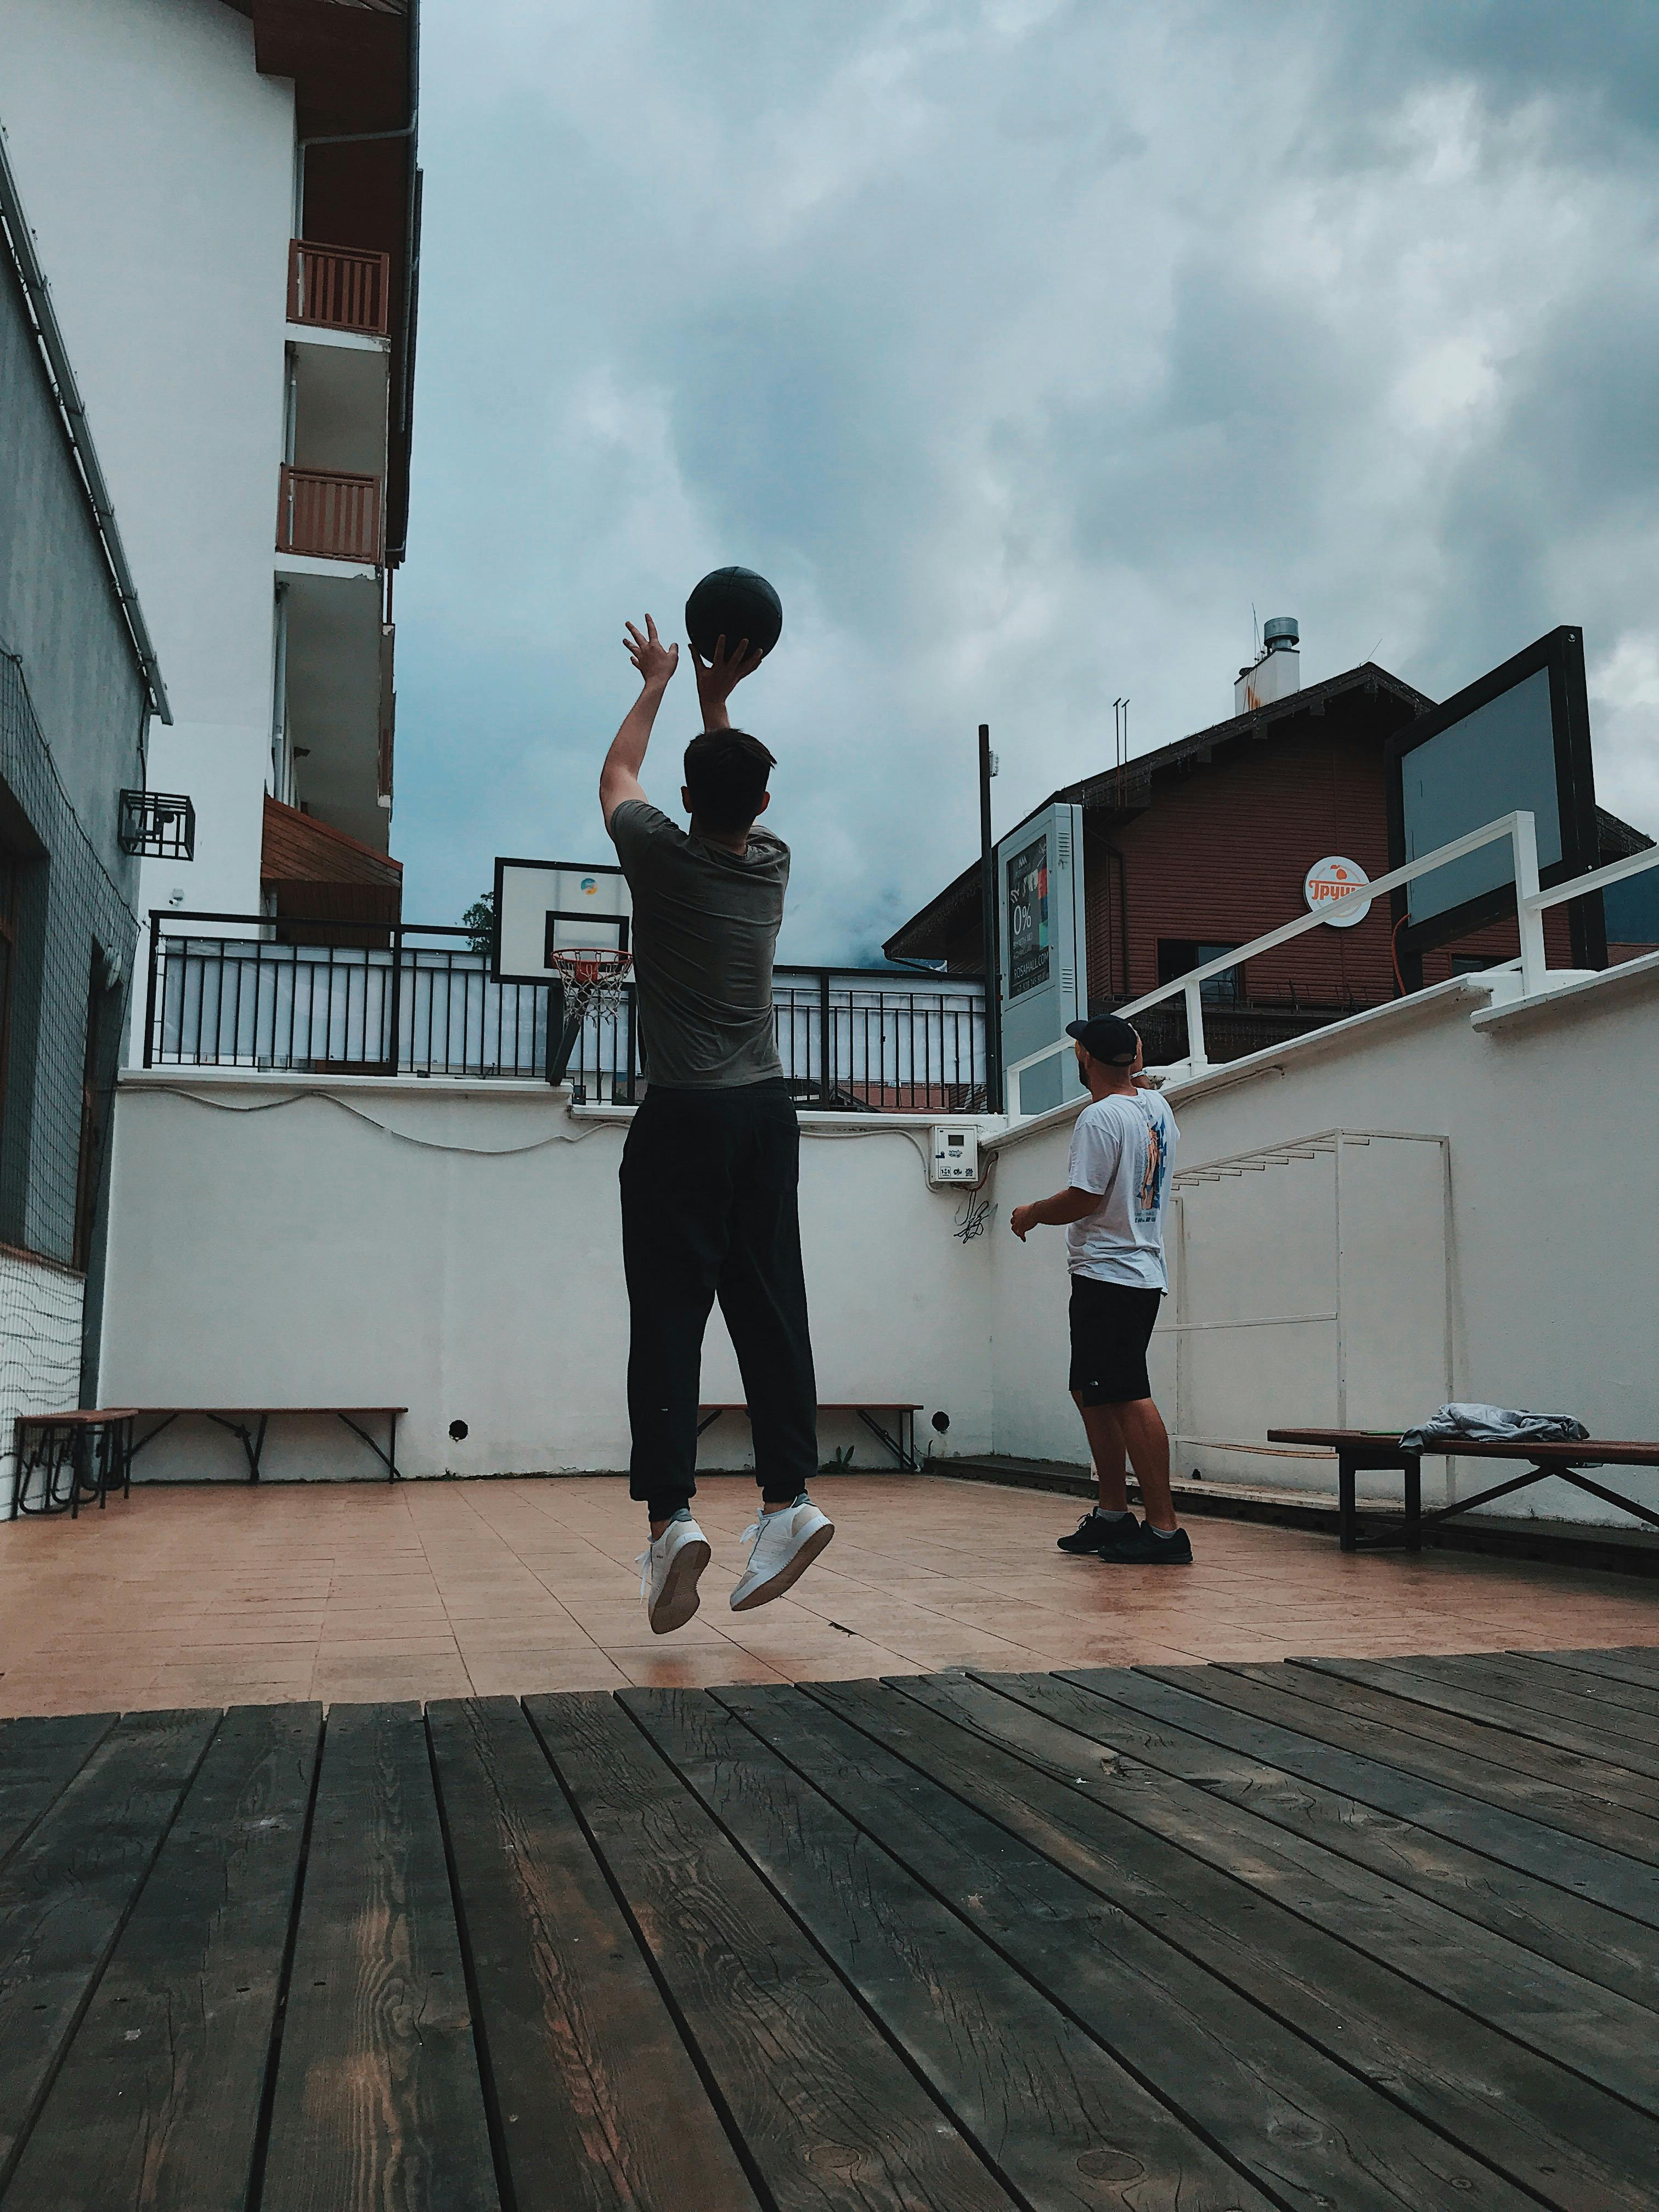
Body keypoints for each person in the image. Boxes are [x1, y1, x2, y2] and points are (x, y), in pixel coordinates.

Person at [600, 612, 834, 1633]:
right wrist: (715, 695)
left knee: (666, 1318)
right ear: (762, 803)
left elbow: (618, 771)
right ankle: (788, 1500)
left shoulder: (658, 852)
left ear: (688, 799)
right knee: (768, 1303)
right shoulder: (769, 864)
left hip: (681, 1120)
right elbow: (723, 781)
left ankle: (672, 1520)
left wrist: (657, 680)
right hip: (764, 1116)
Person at [1008, 1014, 1191, 1564]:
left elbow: (1084, 1198)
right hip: (1129, 1273)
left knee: (1127, 1392)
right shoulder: (1155, 1107)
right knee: (1092, 1391)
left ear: (1084, 1057)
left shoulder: (1099, 1118)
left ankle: (1165, 1532)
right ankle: (1114, 1513)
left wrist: (1031, 1213)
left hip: (1112, 1273)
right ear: (1132, 1057)